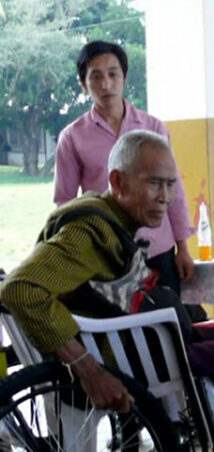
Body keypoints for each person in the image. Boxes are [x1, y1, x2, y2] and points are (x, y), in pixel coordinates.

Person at [1, 130, 214, 452]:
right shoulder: (88, 231)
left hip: (151, 338)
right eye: (154, 183)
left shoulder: (112, 222)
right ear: (117, 181)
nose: (164, 196)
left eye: (170, 184)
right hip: (128, 353)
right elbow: (20, 289)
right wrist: (88, 369)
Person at [54, 41, 195, 295]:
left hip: (158, 250)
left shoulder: (153, 128)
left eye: (112, 74)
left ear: (125, 76)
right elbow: (65, 204)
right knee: (118, 330)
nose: (106, 84)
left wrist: (182, 247)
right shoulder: (72, 137)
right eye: (95, 77)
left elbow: (174, 189)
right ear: (83, 84)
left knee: (169, 326)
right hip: (107, 256)